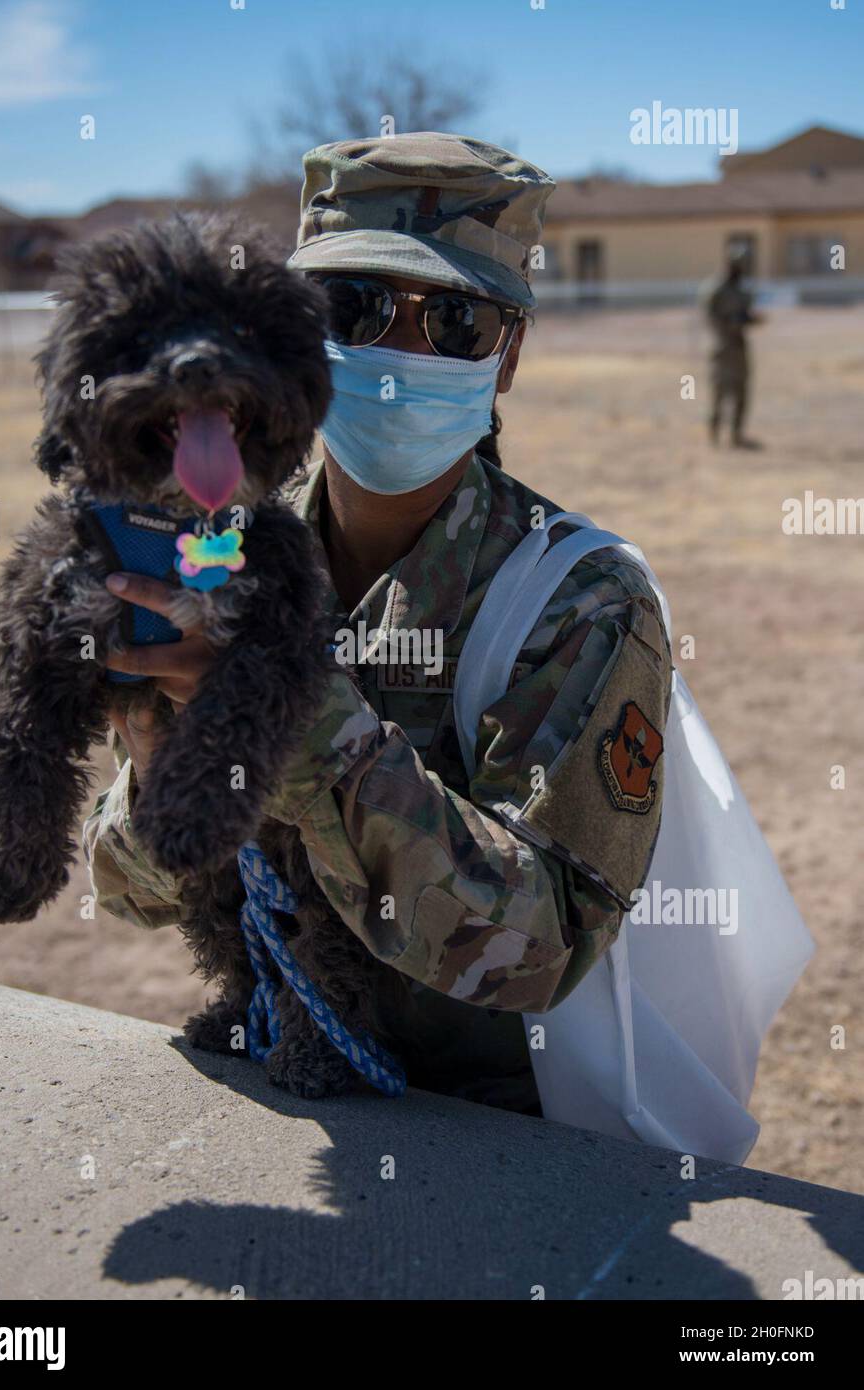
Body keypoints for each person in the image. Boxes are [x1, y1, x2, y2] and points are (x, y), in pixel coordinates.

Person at [83, 133, 672, 1116]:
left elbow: (544, 950)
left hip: (488, 1136)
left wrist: (308, 731)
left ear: (509, 353)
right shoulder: (215, 554)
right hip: (274, 1085)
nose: (398, 355)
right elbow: (131, 893)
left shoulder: (576, 602)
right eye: (349, 308)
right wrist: (162, 757)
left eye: (452, 318)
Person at [702, 250, 765, 448]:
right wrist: (731, 323)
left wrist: (750, 320)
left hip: (739, 348)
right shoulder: (715, 290)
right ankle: (714, 434)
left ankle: (736, 434)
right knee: (720, 393)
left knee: (741, 393)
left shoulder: (742, 291)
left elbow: (745, 315)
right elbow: (711, 317)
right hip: (723, 348)